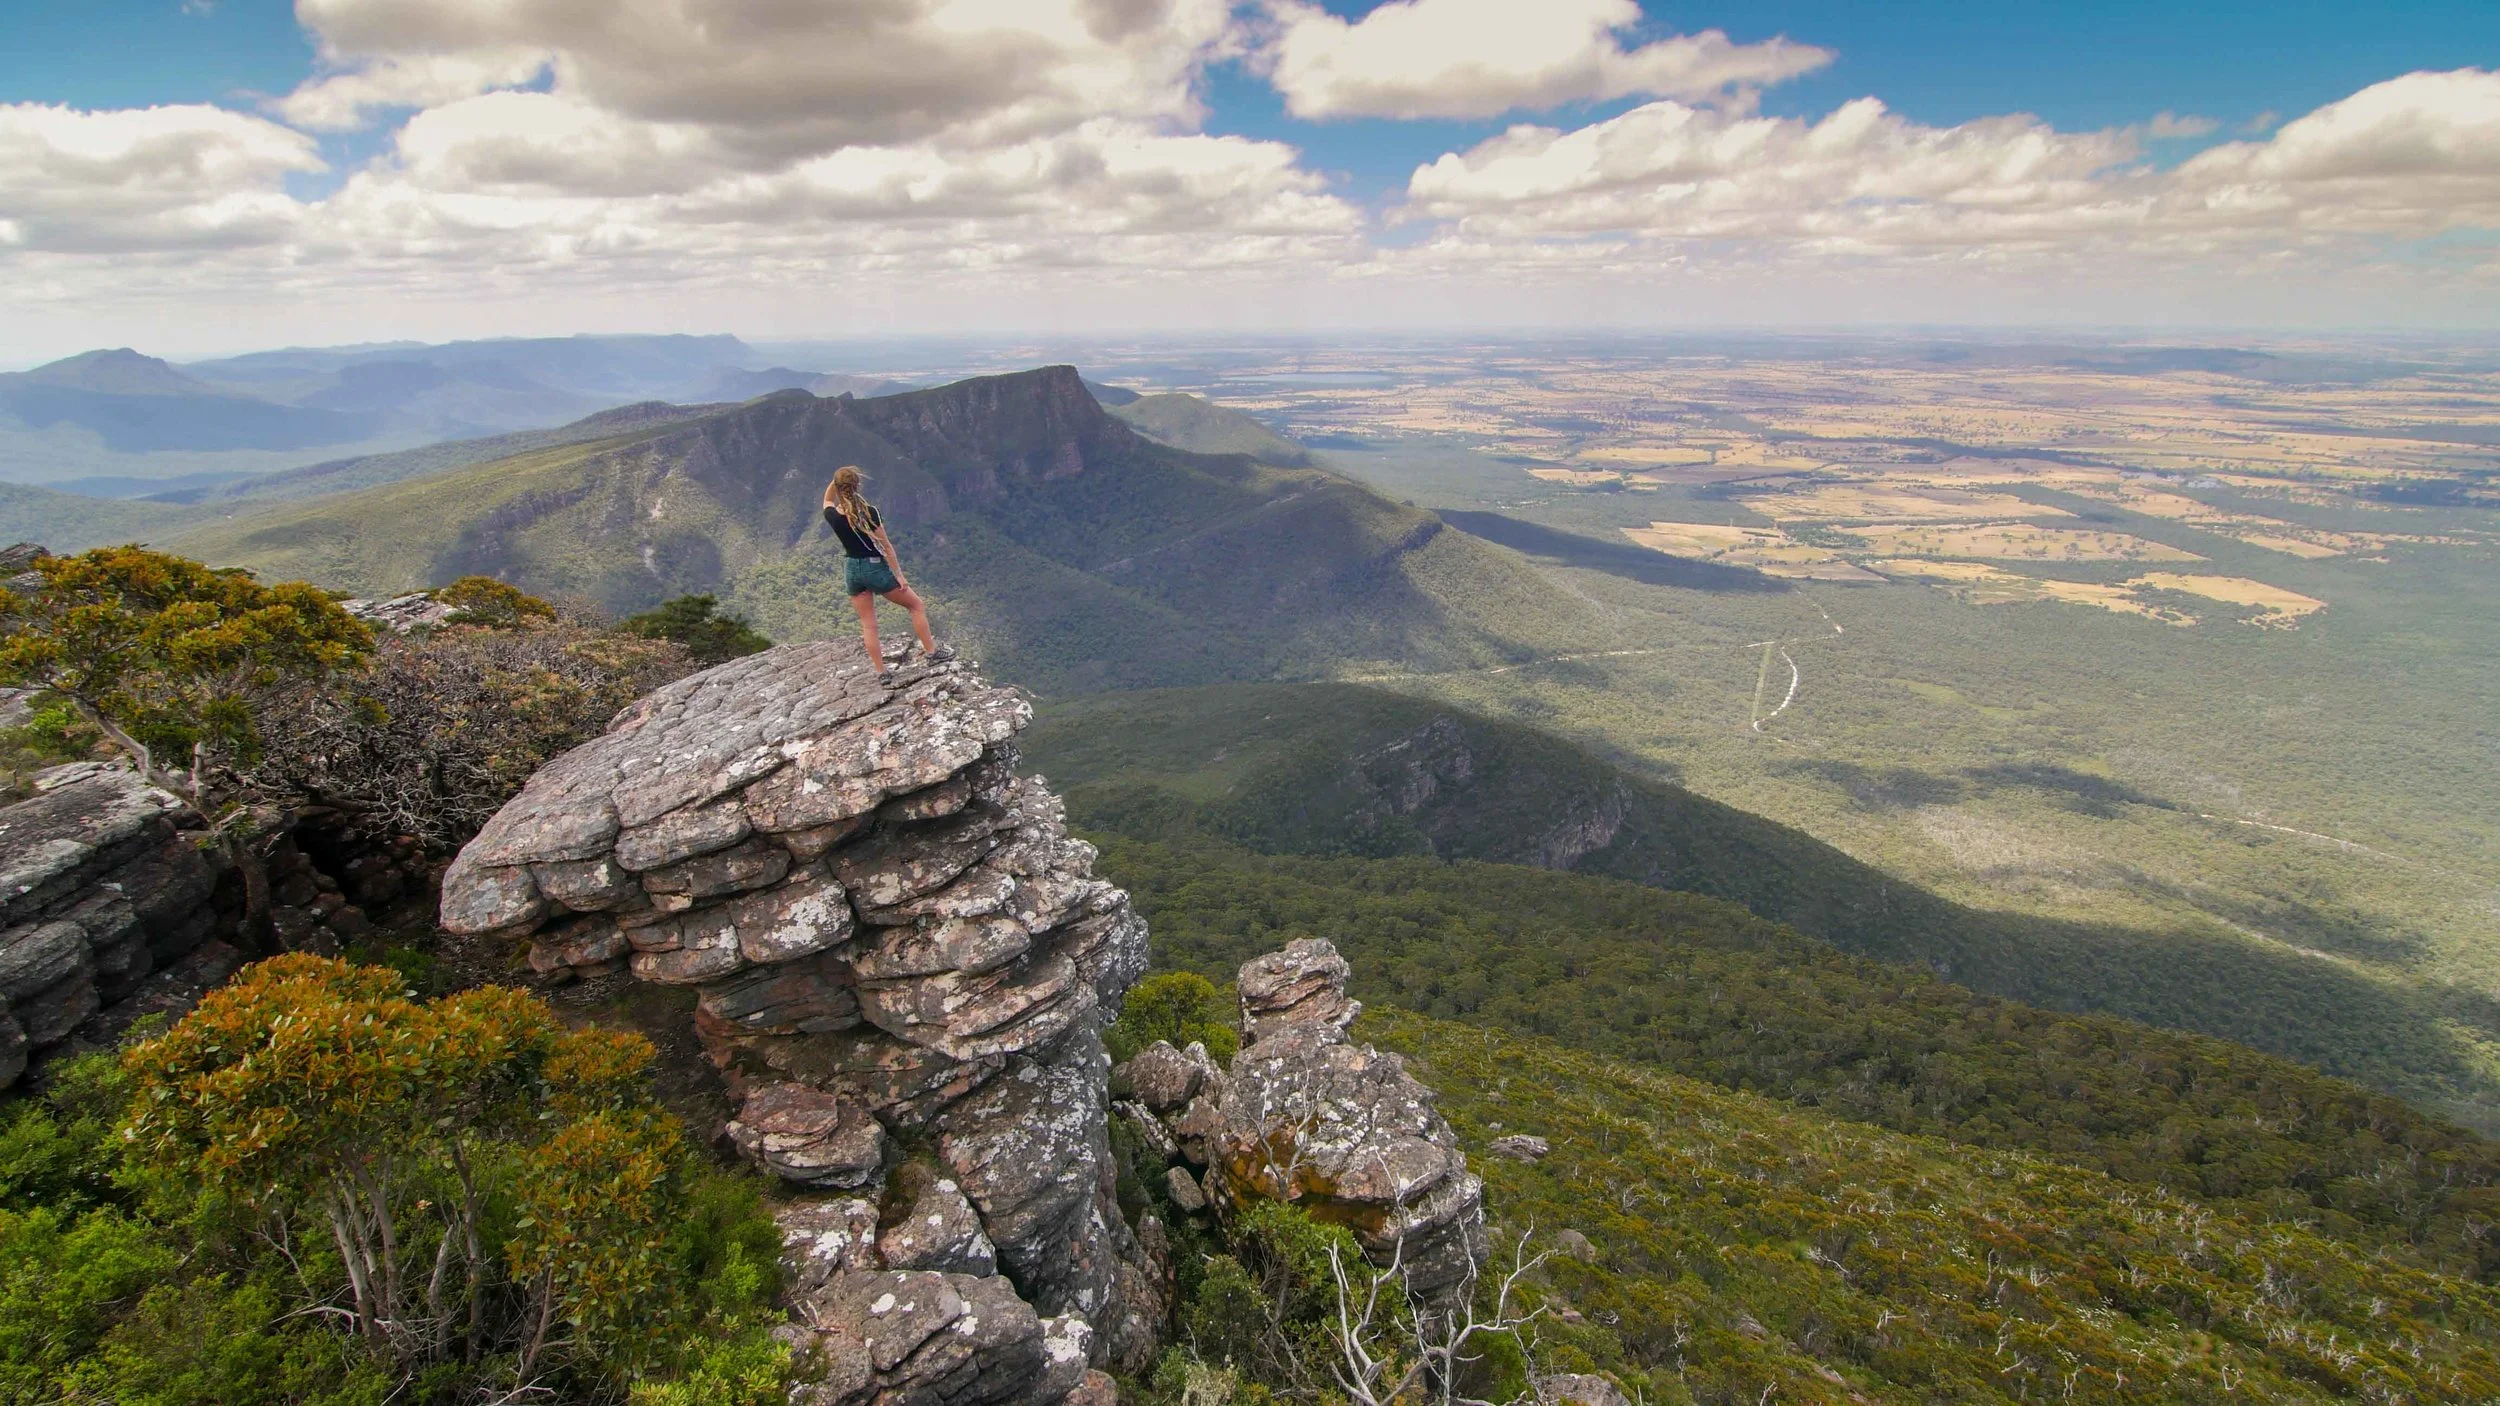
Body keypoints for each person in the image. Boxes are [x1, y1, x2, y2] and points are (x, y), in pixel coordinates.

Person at [823, 465, 952, 683]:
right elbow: (887, 546)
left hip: (852, 570)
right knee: (916, 606)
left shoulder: (832, 514)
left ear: (838, 487)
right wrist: (899, 576)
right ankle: (932, 653)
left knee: (868, 624)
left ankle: (882, 673)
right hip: (874, 568)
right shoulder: (869, 512)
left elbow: (827, 498)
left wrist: (836, 482)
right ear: (857, 486)